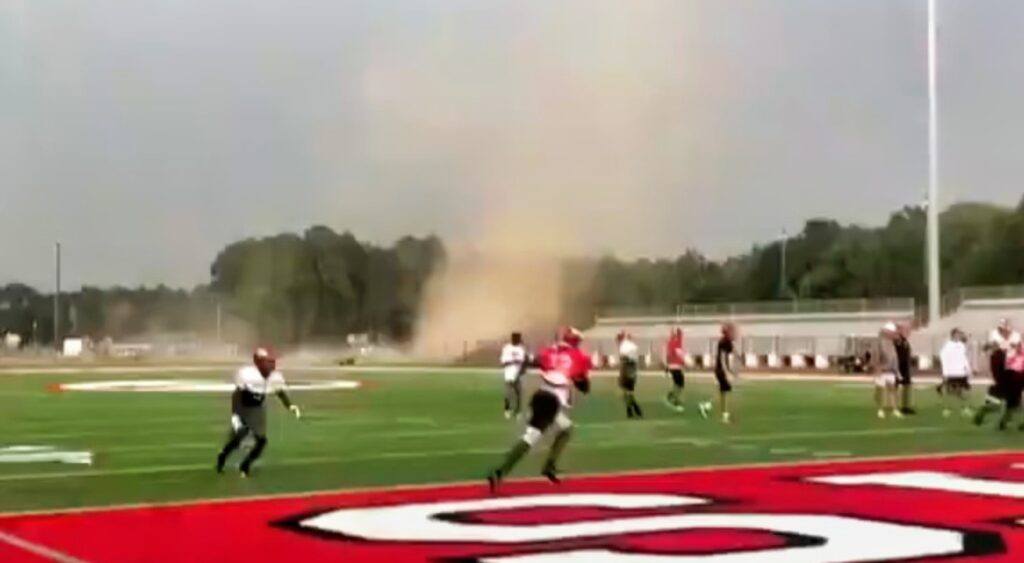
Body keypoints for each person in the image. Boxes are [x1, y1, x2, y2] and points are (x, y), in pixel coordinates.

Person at [487, 327, 593, 492]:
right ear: (575, 341)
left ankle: (549, 466)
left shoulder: (550, 351)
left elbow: (532, 361)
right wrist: (578, 380)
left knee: (566, 428)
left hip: (540, 395)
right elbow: (585, 386)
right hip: (552, 401)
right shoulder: (578, 357)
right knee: (531, 437)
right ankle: (499, 471)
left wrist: (519, 375)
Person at [216, 347, 302, 477]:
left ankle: (245, 466)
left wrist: (290, 406)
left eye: (272, 361)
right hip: (243, 406)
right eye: (268, 361)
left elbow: (279, 392)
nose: (272, 365)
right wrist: (235, 415)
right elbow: (237, 394)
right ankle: (222, 455)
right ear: (258, 363)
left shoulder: (275, 377)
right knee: (239, 436)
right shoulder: (247, 374)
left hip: (257, 408)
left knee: (261, 441)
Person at [974, 319, 1021, 426]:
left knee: (1012, 403)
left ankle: (1002, 422)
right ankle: (994, 417)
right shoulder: (998, 351)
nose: (1005, 331)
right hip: (1007, 378)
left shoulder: (1009, 345)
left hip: (1008, 377)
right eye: (1003, 329)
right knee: (1009, 403)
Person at [938, 328, 973, 418]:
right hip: (951, 372)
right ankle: (947, 409)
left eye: (960, 334)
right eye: (958, 334)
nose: (960, 335)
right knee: (950, 391)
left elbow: (964, 358)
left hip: (961, 372)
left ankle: (964, 408)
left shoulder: (961, 345)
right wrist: (945, 372)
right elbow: (944, 359)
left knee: (963, 391)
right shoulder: (947, 346)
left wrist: (968, 369)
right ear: (953, 335)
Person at [711, 323, 738, 423]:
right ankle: (725, 416)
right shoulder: (725, 342)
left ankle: (723, 414)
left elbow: (729, 356)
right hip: (721, 370)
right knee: (726, 392)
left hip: (721, 369)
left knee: (724, 392)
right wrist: (727, 372)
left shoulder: (726, 342)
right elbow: (723, 358)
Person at [875, 322, 902, 419]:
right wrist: (878, 369)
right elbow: (877, 355)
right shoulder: (880, 342)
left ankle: (894, 409)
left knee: (892, 391)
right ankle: (880, 410)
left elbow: (894, 357)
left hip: (891, 370)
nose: (893, 334)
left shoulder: (891, 342)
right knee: (880, 391)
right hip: (882, 370)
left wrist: (896, 370)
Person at [500, 332, 528, 419]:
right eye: (517, 339)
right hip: (509, 374)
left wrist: (523, 370)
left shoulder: (521, 349)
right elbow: (503, 362)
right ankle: (507, 410)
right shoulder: (507, 348)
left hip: (517, 374)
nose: (519, 341)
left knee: (519, 393)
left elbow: (523, 361)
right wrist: (513, 361)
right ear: (513, 339)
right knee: (508, 393)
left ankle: (518, 411)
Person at [999, 340, 1024, 430]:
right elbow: (1007, 368)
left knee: (1016, 404)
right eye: (1018, 347)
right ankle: (1004, 421)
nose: (1020, 348)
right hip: (1013, 381)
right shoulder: (1011, 357)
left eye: (1020, 347)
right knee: (1012, 404)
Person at [617, 331, 643, 419]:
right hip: (631, 370)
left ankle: (633, 408)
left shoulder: (624, 346)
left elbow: (626, 357)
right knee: (628, 392)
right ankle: (632, 409)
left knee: (626, 392)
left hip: (626, 369)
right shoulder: (631, 346)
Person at [894, 322, 916, 415]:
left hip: (905, 367)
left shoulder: (904, 340)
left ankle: (905, 406)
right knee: (896, 388)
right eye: (902, 329)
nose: (906, 331)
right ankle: (894, 407)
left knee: (907, 387)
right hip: (898, 367)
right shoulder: (896, 340)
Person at [663, 328, 686, 413]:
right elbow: (680, 335)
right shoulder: (674, 343)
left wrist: (667, 369)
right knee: (680, 385)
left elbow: (669, 356)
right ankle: (676, 400)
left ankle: (671, 395)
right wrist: (678, 330)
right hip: (675, 367)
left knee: (677, 384)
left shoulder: (671, 343)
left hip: (674, 367)